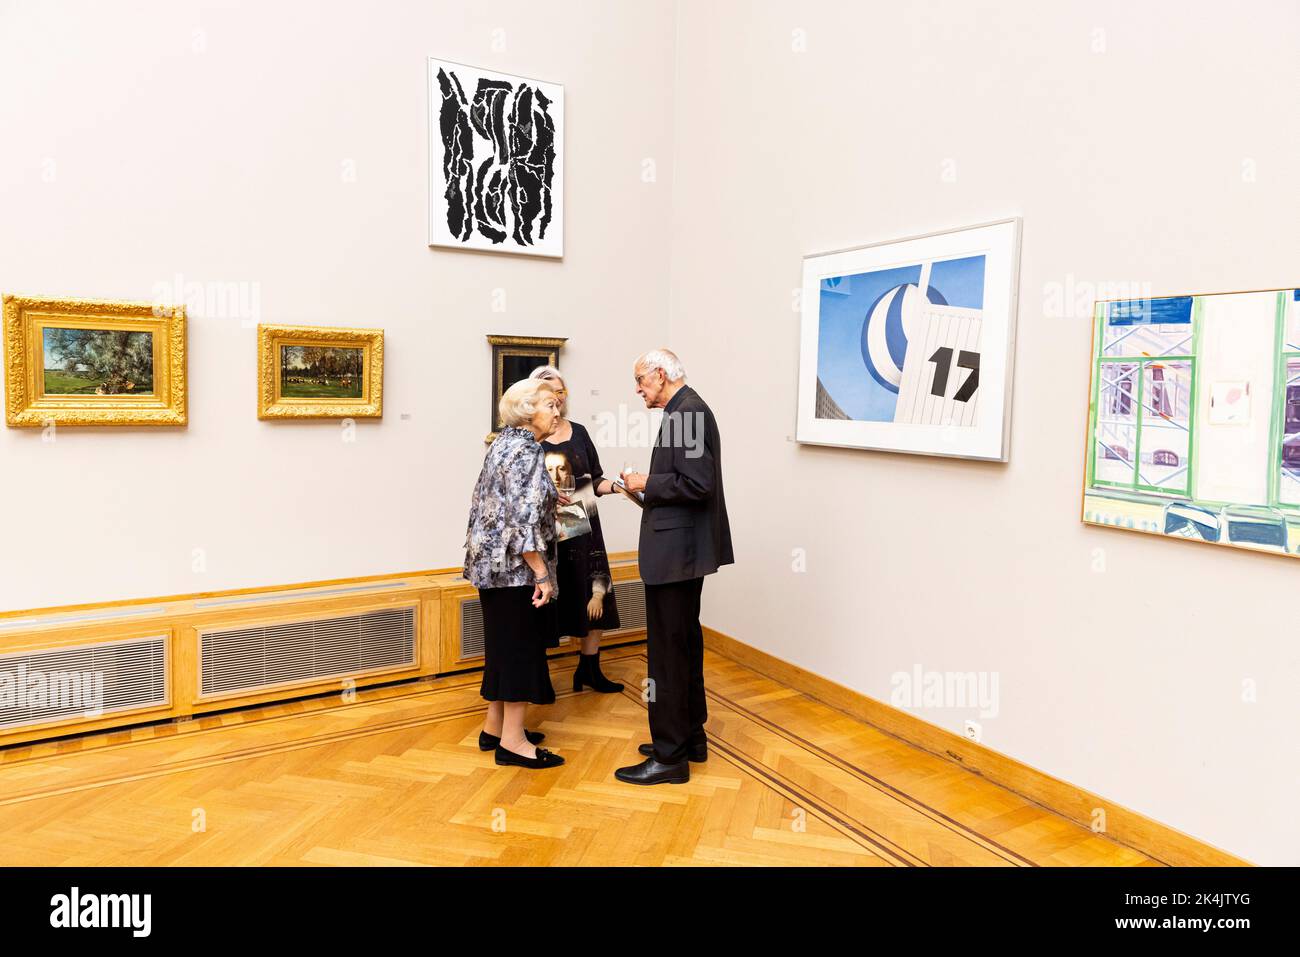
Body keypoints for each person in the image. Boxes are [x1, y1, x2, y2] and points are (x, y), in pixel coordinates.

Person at [614, 349, 733, 786]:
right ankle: (689, 738)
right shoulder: (686, 409)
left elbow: (698, 485)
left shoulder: (688, 413)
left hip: (676, 555)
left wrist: (647, 482)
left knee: (667, 655)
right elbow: (690, 481)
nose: (639, 390)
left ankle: (669, 757)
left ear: (660, 375)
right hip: (682, 551)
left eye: (641, 381)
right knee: (684, 646)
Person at [463, 377, 566, 770]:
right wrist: (541, 573)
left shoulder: (504, 442)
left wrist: (551, 498)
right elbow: (519, 523)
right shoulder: (526, 452)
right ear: (528, 411)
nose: (557, 411)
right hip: (514, 572)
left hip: (491, 567)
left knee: (503, 649)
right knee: (521, 650)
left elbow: (504, 502)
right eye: (550, 405)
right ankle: (514, 742)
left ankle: (494, 728)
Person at [529, 366, 625, 695]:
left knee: (595, 593)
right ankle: (538, 679)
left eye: (561, 392)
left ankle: (589, 669)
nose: (556, 398)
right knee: (550, 599)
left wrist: (620, 487)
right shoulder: (531, 438)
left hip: (584, 528)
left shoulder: (580, 432)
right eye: (549, 392)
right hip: (547, 535)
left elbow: (594, 480)